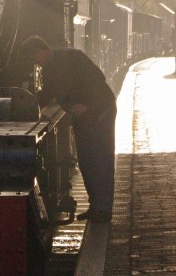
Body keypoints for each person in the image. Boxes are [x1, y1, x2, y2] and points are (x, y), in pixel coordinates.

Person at [21, 36, 117, 223]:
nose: (36, 63)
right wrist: (29, 107)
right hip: (80, 115)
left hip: (100, 111)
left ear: (40, 50)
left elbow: (98, 79)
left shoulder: (73, 56)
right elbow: (47, 94)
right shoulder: (48, 69)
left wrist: (87, 105)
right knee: (86, 160)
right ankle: (96, 205)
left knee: (101, 158)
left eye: (35, 58)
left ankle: (104, 209)